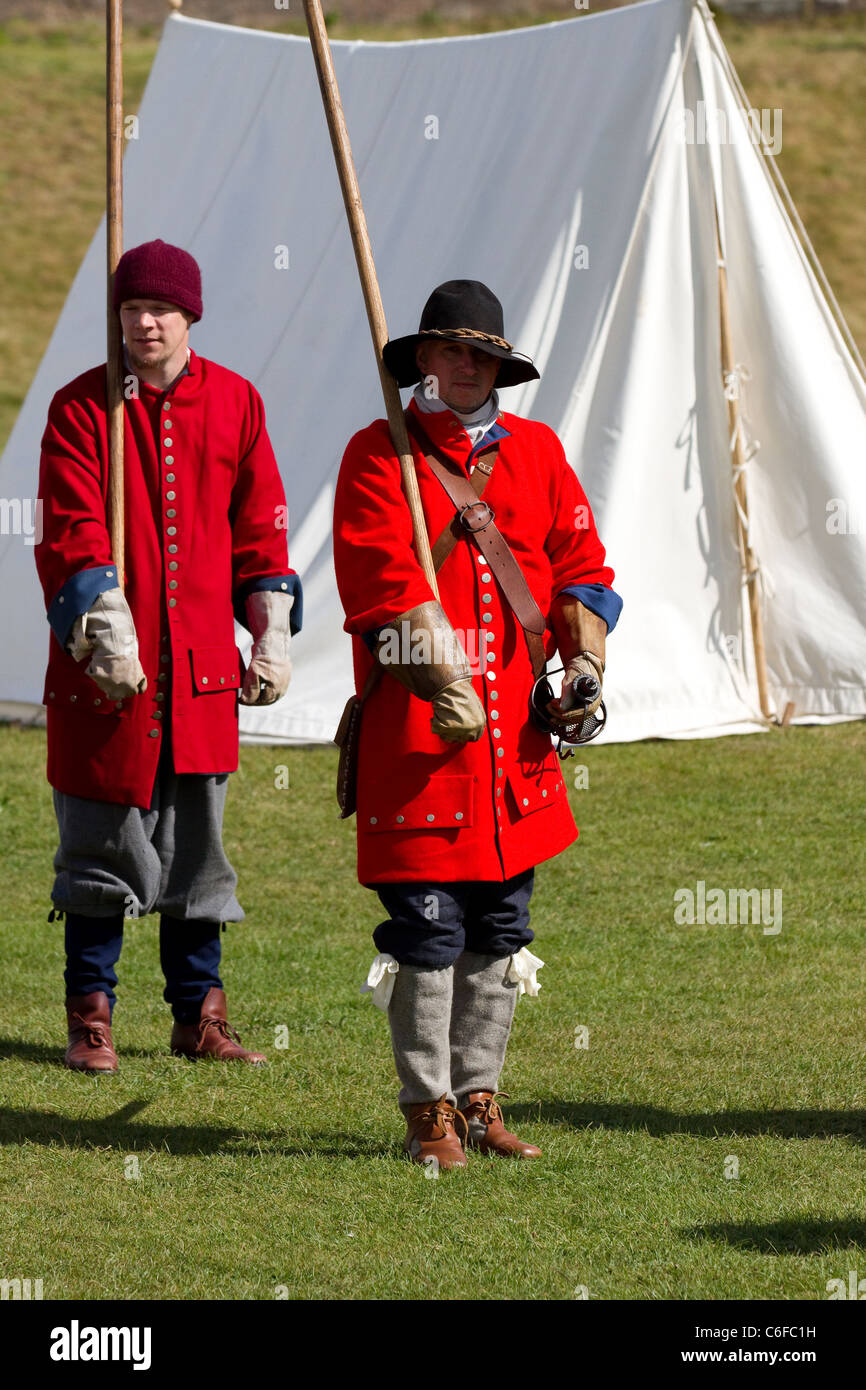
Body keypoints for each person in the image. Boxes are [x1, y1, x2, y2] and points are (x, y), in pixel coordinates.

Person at [333, 279, 621, 1168]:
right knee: (426, 928)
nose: (469, 366)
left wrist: (584, 660)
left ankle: (479, 1096)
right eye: (453, 350)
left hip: (515, 748)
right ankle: (427, 1111)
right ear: (422, 357)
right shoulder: (380, 453)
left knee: (500, 925)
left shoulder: (536, 450)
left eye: (484, 354)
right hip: (421, 737)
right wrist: (436, 667)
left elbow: (583, 565)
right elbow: (380, 585)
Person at [35, 239, 302, 1073]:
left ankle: (200, 1017)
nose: (144, 323)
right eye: (130, 309)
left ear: (190, 315)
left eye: (160, 310)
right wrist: (97, 616)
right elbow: (70, 526)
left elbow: (260, 527)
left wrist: (270, 624)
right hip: (104, 678)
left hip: (198, 681)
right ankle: (92, 1020)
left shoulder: (237, 403)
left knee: (198, 856)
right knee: (100, 851)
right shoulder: (83, 408)